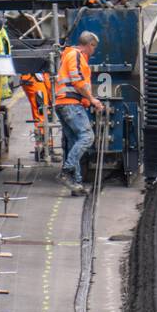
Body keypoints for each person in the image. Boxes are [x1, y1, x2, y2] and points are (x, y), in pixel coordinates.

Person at [54, 31, 105, 194]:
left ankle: (76, 184)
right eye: (94, 47)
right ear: (90, 45)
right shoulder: (76, 55)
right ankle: (66, 171)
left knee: (73, 141)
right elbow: (77, 82)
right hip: (70, 104)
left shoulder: (70, 55)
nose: (94, 51)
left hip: (64, 103)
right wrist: (93, 100)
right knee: (87, 137)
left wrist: (86, 99)